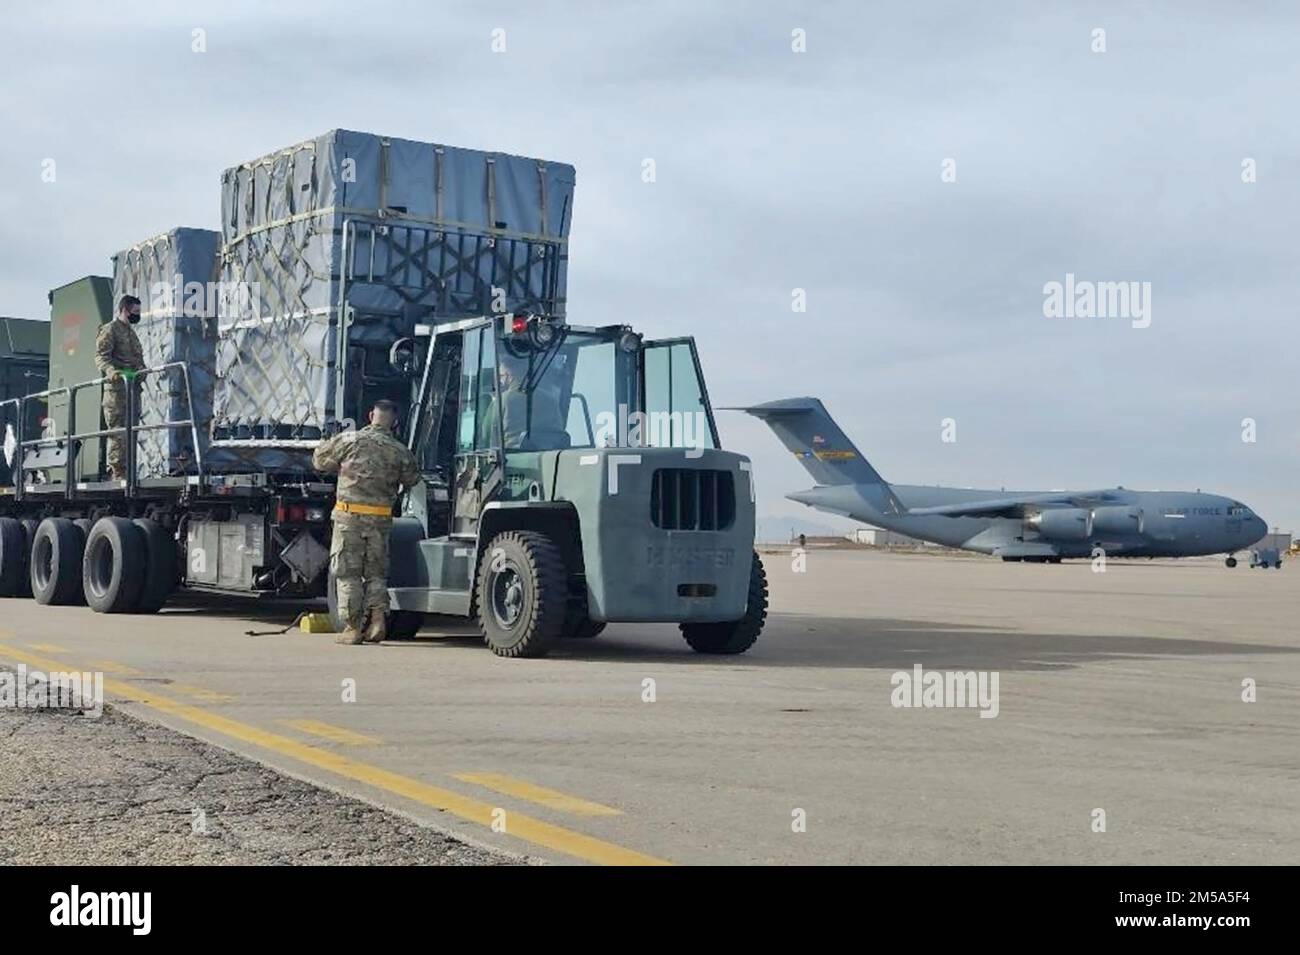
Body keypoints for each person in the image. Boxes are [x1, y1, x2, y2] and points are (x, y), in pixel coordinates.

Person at [312, 399, 420, 645]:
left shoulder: (349, 440)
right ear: (394, 422)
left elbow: (319, 461)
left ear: (371, 414)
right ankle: (378, 621)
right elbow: (413, 478)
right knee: (376, 574)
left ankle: (352, 628)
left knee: (348, 573)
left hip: (349, 518)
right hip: (380, 520)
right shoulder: (399, 450)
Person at [94, 295, 145, 480]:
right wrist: (111, 371)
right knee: (117, 432)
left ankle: (129, 470)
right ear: (125, 310)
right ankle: (117, 471)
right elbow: (101, 356)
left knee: (132, 432)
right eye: (135, 312)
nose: (137, 316)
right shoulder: (110, 330)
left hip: (132, 390)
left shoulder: (132, 333)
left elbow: (138, 359)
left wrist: (142, 370)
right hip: (116, 392)